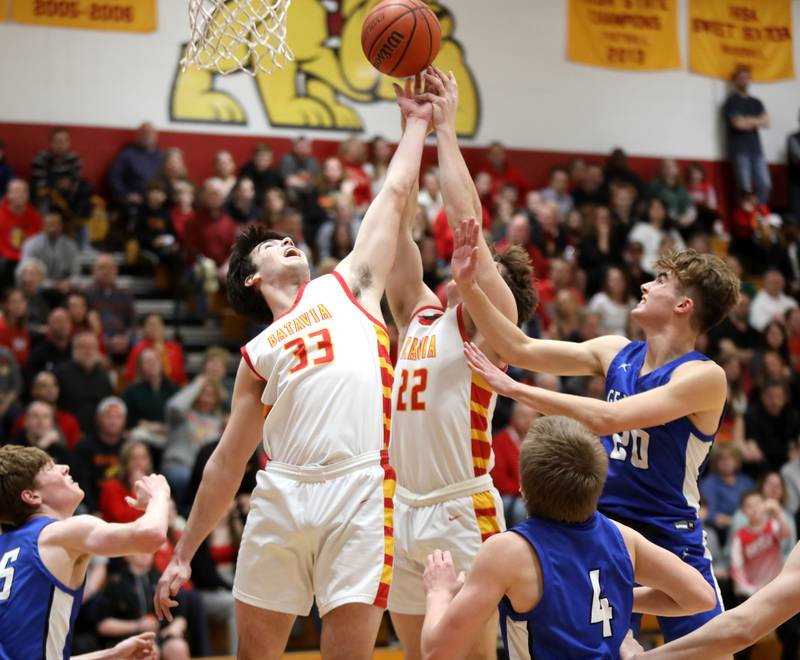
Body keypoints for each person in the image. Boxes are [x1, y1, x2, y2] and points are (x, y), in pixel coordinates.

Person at [153, 83, 432, 660]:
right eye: (270, 246)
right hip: (281, 492)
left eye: (286, 238)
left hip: (361, 486)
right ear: (252, 279)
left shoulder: (347, 284)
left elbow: (395, 190)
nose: (286, 239)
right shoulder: (257, 354)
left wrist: (416, 125)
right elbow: (228, 461)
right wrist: (183, 552)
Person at [451, 220, 740, 642]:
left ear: (684, 306)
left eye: (660, 280)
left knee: (714, 650)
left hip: (670, 531)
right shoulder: (614, 350)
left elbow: (609, 420)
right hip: (608, 530)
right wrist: (470, 287)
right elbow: (520, 348)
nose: (644, 285)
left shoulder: (703, 377)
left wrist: (517, 390)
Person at [384, 69, 537, 660]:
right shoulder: (417, 316)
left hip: (459, 507)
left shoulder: (490, 329)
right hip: (401, 505)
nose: (465, 259)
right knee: (415, 653)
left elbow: (466, 217)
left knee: (465, 655)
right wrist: (412, 127)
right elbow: (397, 228)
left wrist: (448, 128)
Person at [420, 416, 716, 660]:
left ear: (522, 487)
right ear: (598, 486)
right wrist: (614, 600)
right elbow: (700, 598)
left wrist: (438, 595)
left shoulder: (507, 552)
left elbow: (437, 653)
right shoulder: (622, 537)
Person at [0, 444, 170, 659]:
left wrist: (112, 655)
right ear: (31, 496)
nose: (65, 467)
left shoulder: (5, 547)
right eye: (50, 468)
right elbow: (151, 536)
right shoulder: (59, 533)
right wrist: (159, 495)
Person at [723, 65, 771, 204]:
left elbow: (766, 122)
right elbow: (738, 124)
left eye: (747, 77)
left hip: (757, 151)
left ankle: (759, 219)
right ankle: (744, 222)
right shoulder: (731, 102)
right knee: (745, 189)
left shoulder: (756, 102)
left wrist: (748, 120)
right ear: (734, 81)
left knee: (765, 185)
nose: (745, 80)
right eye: (741, 78)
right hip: (740, 151)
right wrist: (756, 121)